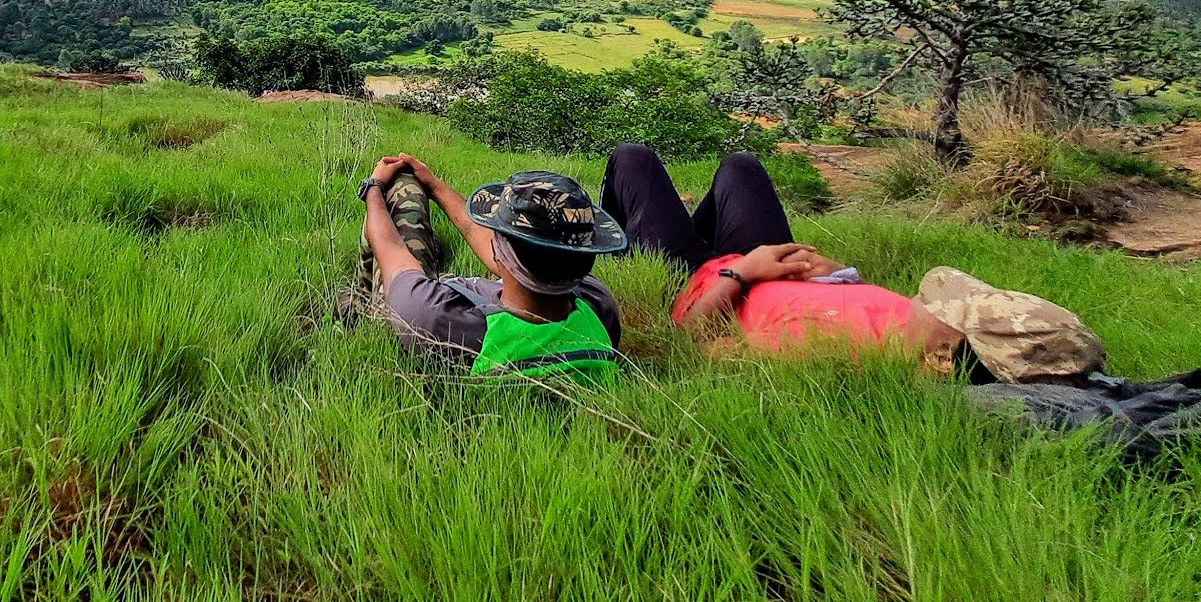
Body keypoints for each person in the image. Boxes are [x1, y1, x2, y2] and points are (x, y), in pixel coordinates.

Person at [600, 143, 964, 367]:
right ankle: (691, 231)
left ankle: (616, 254)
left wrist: (740, 273)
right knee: (741, 165)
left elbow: (694, 338)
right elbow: (856, 298)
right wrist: (842, 273)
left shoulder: (833, 351)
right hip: (768, 261)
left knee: (633, 159)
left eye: (962, 315)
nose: (938, 298)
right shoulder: (918, 317)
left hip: (696, 278)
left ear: (943, 357)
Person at [357, 153, 629, 379]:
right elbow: (518, 263)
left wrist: (373, 187)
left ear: (501, 255)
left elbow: (390, 248)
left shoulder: (439, 319)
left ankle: (355, 307)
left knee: (402, 192)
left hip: (434, 303)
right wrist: (435, 186)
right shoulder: (600, 309)